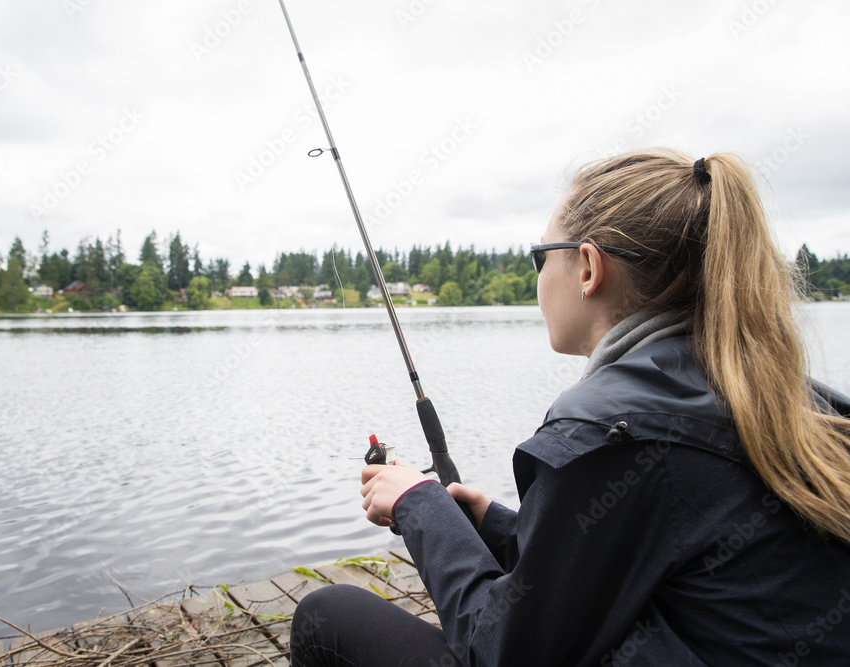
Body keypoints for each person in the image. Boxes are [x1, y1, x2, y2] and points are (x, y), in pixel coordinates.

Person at [289, 148, 850, 666]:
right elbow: (626, 563)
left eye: (541, 256)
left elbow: (505, 650)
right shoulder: (791, 399)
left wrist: (416, 504)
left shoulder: (613, 427)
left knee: (327, 617)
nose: (539, 276)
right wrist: (493, 525)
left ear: (587, 267)